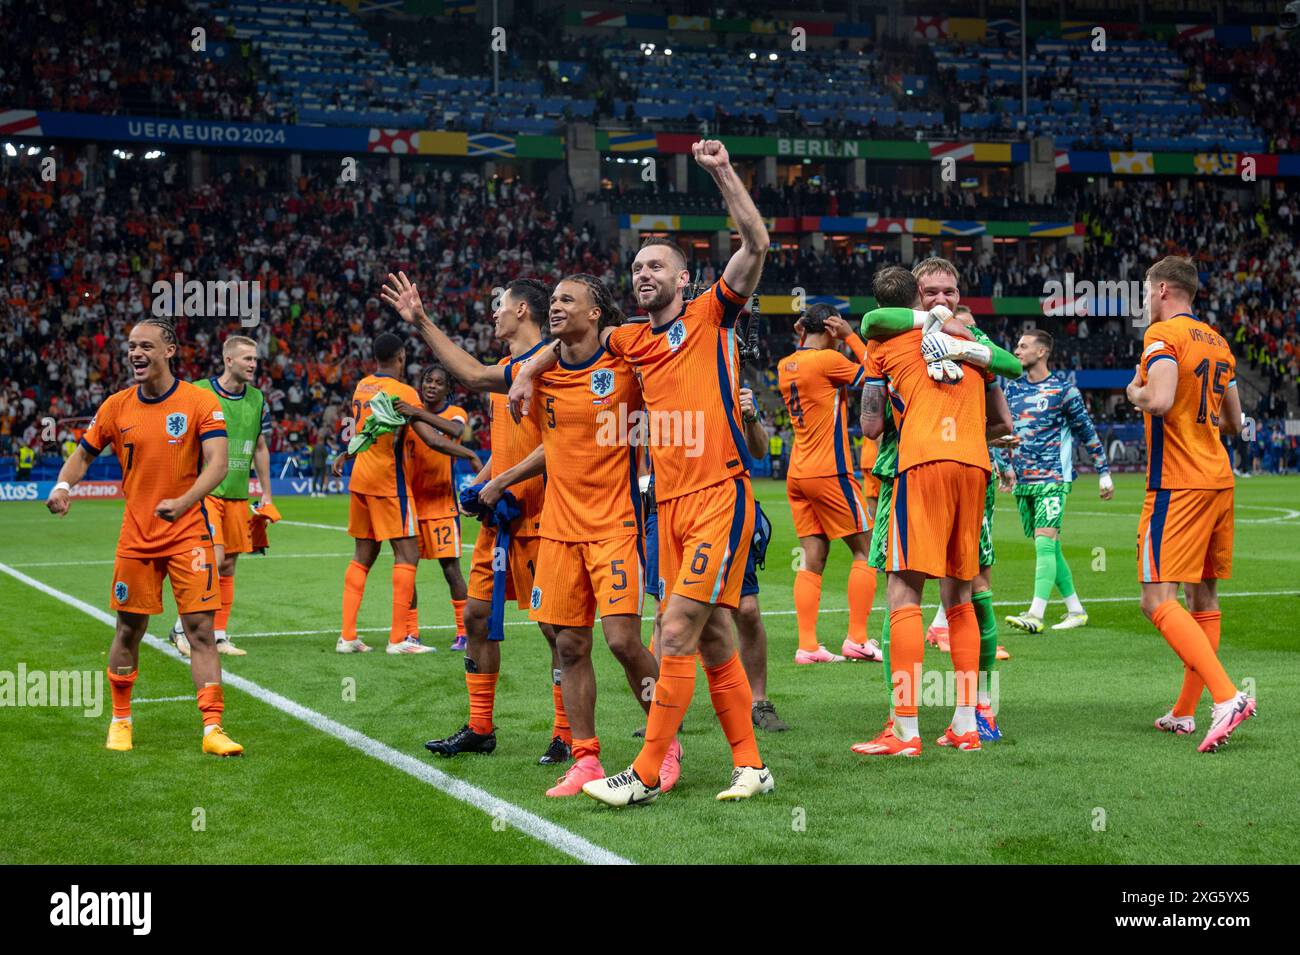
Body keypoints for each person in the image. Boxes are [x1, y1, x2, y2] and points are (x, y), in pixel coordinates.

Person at [510, 139, 773, 804]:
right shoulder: (628, 339)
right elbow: (570, 342)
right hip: (668, 506)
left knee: (675, 628)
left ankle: (647, 772)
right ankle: (751, 765)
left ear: (684, 279)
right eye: (636, 267)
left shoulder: (713, 313)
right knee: (712, 636)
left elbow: (756, 242)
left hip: (720, 492)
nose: (643, 273)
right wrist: (531, 368)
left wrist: (721, 172)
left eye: (656, 265)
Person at [382, 275, 572, 765]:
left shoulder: (552, 366)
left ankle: (565, 733)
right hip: (500, 517)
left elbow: (556, 447)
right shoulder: (505, 373)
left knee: (555, 629)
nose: (494, 313)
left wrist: (498, 481)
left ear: (523, 310)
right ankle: (481, 727)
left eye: (500, 305)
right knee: (476, 616)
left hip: (544, 517)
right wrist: (483, 481)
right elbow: (509, 445)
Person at [45, 318, 241, 756]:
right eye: (132, 346)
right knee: (129, 629)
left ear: (169, 351)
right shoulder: (116, 406)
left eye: (146, 346)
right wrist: (62, 485)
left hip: (188, 533)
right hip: (137, 536)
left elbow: (218, 463)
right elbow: (83, 455)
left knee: (201, 630)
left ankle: (213, 729)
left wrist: (185, 501)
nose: (135, 353)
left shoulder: (199, 401)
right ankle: (120, 721)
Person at [853, 266, 1004, 756]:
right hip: (975, 468)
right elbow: (1003, 419)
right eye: (933, 292)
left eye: (947, 291)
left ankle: (904, 730)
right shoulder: (975, 341)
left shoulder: (887, 340)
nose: (941, 299)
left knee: (903, 593)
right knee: (961, 595)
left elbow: (870, 427)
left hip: (919, 465)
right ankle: (967, 724)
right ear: (918, 294)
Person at [1125, 255, 1254, 753]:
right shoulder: (1218, 342)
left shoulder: (1162, 336)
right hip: (1219, 479)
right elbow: (1235, 424)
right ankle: (1184, 712)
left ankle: (1226, 696)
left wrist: (1133, 391)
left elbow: (1158, 400)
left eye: (1145, 290)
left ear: (1161, 289)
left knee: (1157, 599)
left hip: (1177, 484)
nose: (1145, 299)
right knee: (1204, 598)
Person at [776, 303, 879, 665]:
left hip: (798, 473)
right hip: (829, 471)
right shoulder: (828, 361)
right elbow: (876, 373)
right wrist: (850, 336)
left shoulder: (785, 364)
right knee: (867, 550)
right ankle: (858, 640)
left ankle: (807, 646)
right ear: (831, 328)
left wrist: (809, 331)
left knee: (812, 558)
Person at [332, 332, 446, 655]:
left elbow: (361, 432)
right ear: (401, 357)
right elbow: (429, 437)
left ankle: (347, 636)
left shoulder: (362, 386)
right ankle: (398, 639)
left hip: (360, 479)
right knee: (408, 555)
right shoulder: (404, 392)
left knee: (362, 556)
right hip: (388, 481)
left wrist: (345, 455)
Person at [1002, 329, 1114, 634]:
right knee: (1051, 546)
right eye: (1017, 345)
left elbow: (1087, 432)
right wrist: (1003, 466)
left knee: (1044, 543)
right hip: (1023, 482)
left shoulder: (1063, 391)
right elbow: (1002, 431)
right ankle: (1076, 610)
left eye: (1023, 346)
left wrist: (1103, 473)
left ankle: (1035, 614)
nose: (1017, 350)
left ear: (1042, 352)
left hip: (1053, 479)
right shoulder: (1012, 389)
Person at [169, 335, 272, 658]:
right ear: (229, 360)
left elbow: (259, 447)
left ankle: (218, 635)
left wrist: (267, 494)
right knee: (211, 560)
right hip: (206, 492)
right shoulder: (199, 391)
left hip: (238, 494)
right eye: (247, 358)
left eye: (255, 359)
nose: (253, 364)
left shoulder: (257, 399)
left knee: (228, 565)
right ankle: (180, 628)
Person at [396, 365, 481, 651]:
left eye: (438, 382)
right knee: (407, 569)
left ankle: (464, 633)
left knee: (451, 570)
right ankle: (411, 632)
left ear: (447, 389)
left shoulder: (454, 413)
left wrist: (416, 412)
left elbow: (457, 431)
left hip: (442, 505)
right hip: (410, 506)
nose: (431, 386)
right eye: (427, 381)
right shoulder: (407, 414)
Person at [310, 429, 329, 497]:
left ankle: (313, 492)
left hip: (315, 465)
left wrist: (313, 463)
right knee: (321, 478)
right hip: (322, 465)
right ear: (322, 440)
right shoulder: (323, 447)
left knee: (315, 478)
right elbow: (326, 455)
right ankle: (320, 492)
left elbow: (311, 456)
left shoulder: (314, 447)